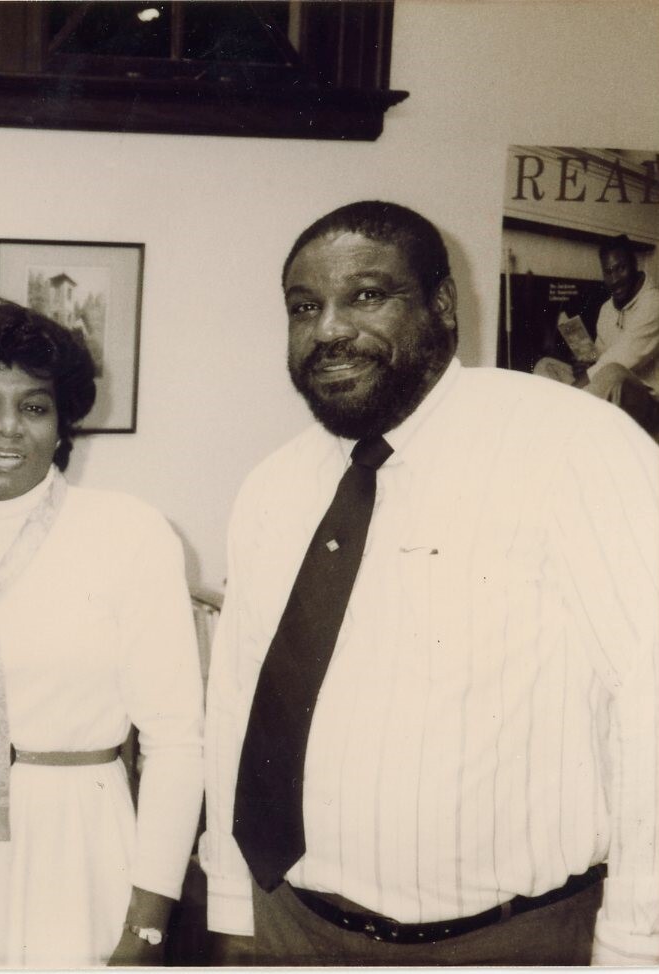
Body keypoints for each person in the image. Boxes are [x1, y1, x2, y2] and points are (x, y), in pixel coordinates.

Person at [202, 201, 659, 965]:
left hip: (506, 942)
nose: (329, 330)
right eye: (304, 307)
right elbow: (237, 705)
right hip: (291, 928)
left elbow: (650, 702)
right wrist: (230, 906)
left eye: (368, 296)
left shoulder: (574, 446)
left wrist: (637, 946)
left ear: (444, 305)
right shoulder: (273, 487)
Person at [0, 296, 204, 967]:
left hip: (77, 842)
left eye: (34, 407)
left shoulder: (127, 532)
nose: (7, 428)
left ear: (61, 423)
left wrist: (149, 922)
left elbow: (178, 742)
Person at [535, 234, 659, 435]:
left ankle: (560, 425)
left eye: (621, 268)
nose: (614, 280)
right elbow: (601, 356)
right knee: (545, 366)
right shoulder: (607, 309)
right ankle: (562, 418)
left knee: (613, 373)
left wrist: (582, 381)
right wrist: (587, 363)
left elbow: (619, 360)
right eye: (608, 271)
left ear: (634, 264)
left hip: (649, 406)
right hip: (607, 385)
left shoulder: (654, 304)